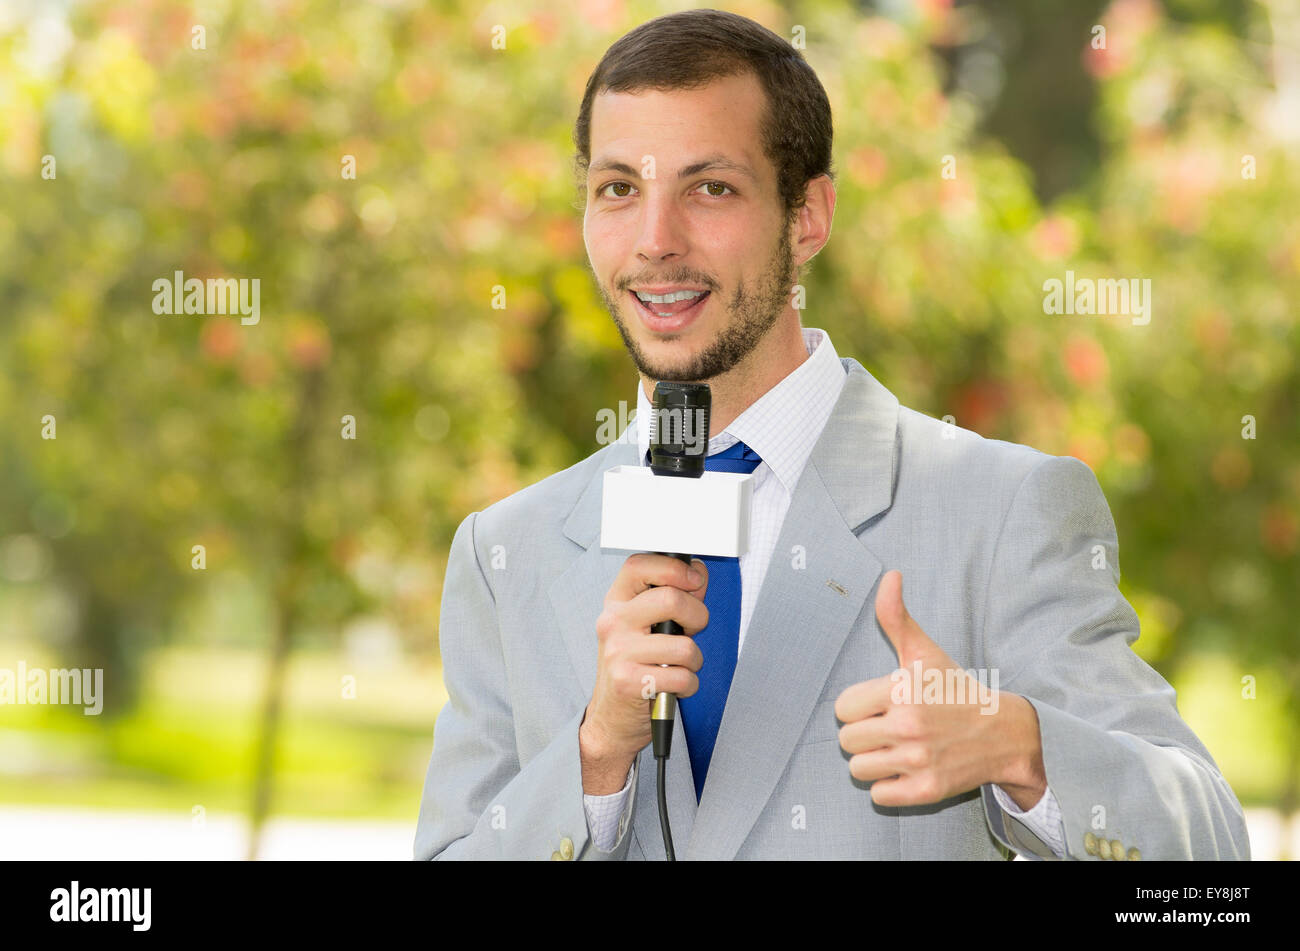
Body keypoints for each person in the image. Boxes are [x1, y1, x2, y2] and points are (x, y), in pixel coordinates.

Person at [414, 9, 1249, 860]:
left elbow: (1212, 863)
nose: (654, 243)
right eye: (619, 188)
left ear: (808, 216)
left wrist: (1022, 746)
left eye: (710, 187)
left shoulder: (1005, 511)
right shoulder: (502, 552)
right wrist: (592, 759)